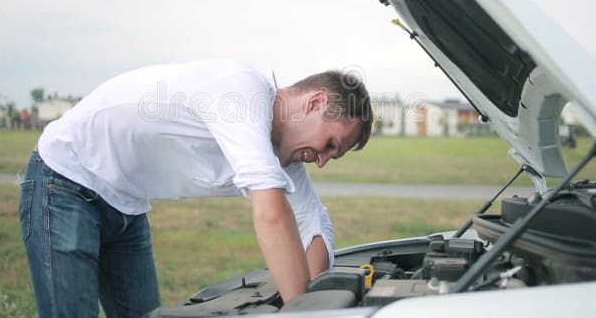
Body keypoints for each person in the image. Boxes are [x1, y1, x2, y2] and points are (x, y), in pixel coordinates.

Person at [19, 58, 373, 317]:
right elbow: (271, 215)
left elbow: (316, 226)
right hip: (66, 181)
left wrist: (312, 296)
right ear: (315, 103)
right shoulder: (244, 95)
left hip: (125, 204)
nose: (323, 160)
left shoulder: (285, 156)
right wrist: (301, 312)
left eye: (334, 155)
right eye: (330, 144)